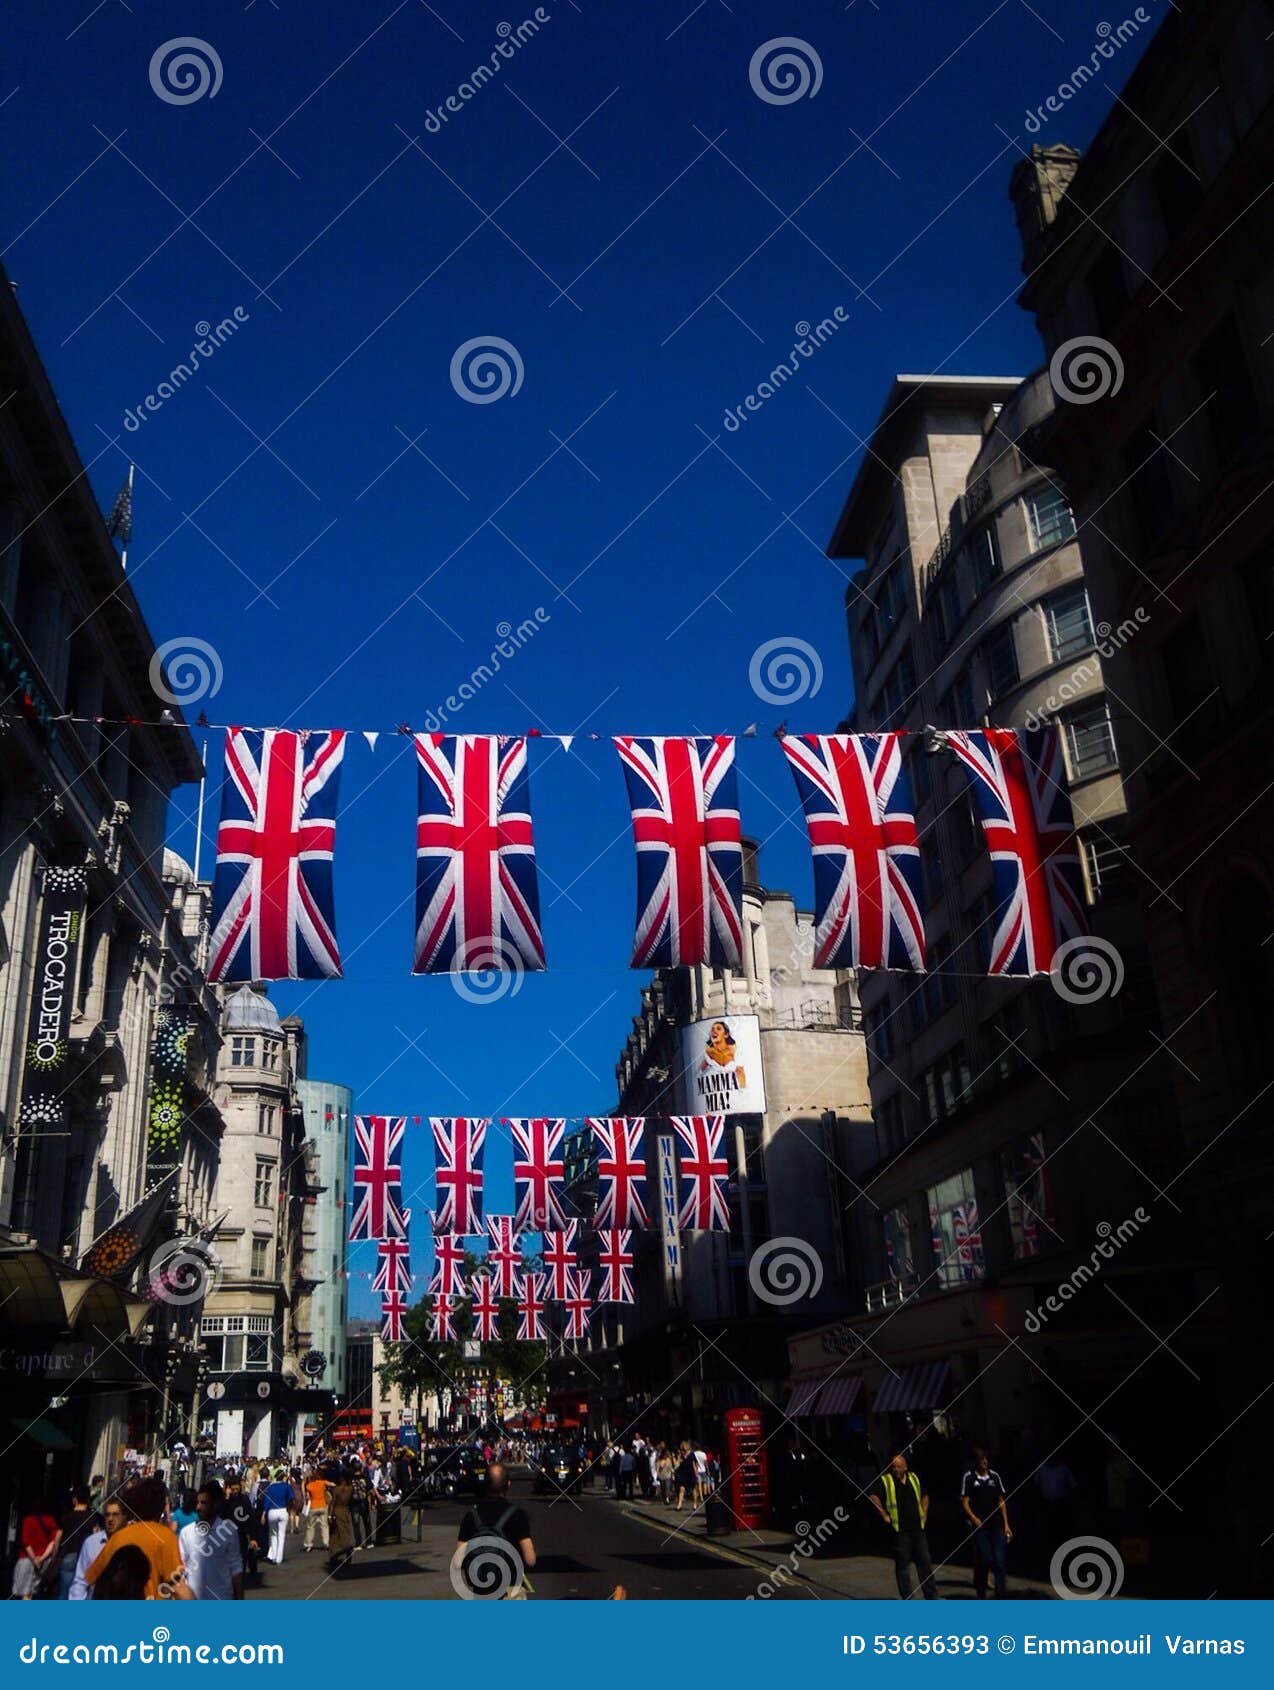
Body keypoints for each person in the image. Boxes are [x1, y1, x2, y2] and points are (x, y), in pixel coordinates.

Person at [84, 1478, 180, 1600]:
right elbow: (177, 1586)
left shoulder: (119, 1537)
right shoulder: (166, 1538)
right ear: (160, 1505)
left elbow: (92, 1577)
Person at [454, 1464, 535, 1599]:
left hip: (482, 1590)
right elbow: (530, 1559)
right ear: (508, 1485)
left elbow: (457, 1561)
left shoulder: (472, 1515)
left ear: (485, 1485)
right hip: (511, 1589)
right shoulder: (517, 1514)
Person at [870, 1454, 937, 1600]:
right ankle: (908, 1597)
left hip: (918, 1528)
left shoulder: (914, 1478)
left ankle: (931, 1595)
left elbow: (925, 1496)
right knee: (903, 1565)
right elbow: (873, 1496)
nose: (895, 1469)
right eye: (893, 1466)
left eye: (898, 1466)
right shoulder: (886, 1480)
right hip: (900, 1530)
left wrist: (924, 1514)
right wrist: (883, 1514)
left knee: (925, 1562)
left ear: (905, 1467)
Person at [960, 1448, 1012, 1599]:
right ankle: (981, 1592)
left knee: (1000, 1561)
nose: (985, 1462)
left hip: (996, 1525)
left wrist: (1006, 1525)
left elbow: (1001, 1501)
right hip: (980, 1526)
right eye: (981, 1459)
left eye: (986, 1459)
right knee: (984, 1559)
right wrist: (974, 1518)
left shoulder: (995, 1477)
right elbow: (965, 1501)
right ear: (976, 1461)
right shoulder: (969, 1477)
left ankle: (1001, 1595)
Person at [178, 1483, 244, 1601]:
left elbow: (236, 1568)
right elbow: (180, 1570)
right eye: (197, 1503)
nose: (198, 1507)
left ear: (215, 1504)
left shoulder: (228, 1531)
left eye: (204, 1503)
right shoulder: (186, 1533)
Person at [69, 1495, 125, 1600]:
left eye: (115, 1514)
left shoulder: (129, 1543)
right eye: (107, 1515)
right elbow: (80, 1580)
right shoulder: (91, 1543)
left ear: (123, 1517)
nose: (110, 1519)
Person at [12, 1499, 61, 1598]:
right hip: (44, 1562)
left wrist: (34, 1559)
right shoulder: (50, 1520)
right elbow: (52, 1542)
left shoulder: (27, 1520)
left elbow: (26, 1543)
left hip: (26, 1559)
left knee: (25, 1593)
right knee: (37, 1592)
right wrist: (42, 1558)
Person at [56, 1487, 97, 1599]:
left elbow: (58, 1538)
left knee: (64, 1594)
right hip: (85, 1560)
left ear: (75, 1499)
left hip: (68, 1556)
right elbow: (95, 1537)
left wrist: (55, 1556)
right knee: (82, 1595)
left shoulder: (66, 1516)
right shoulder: (92, 1518)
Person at [223, 1477, 261, 1579]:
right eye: (233, 1489)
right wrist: (226, 1498)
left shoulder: (244, 1499)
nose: (235, 1491)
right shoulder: (224, 1501)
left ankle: (239, 1581)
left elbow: (251, 1519)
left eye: (237, 1489)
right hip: (226, 1536)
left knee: (241, 1560)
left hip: (241, 1535)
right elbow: (221, 1516)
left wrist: (253, 1538)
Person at [259, 1467, 295, 1565]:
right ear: (283, 1477)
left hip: (271, 1512)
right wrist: (289, 1507)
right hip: (283, 1510)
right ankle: (279, 1558)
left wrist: (263, 1513)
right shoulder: (286, 1486)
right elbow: (292, 1498)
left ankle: (274, 1557)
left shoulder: (270, 1487)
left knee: (273, 1535)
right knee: (281, 1535)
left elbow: (266, 1501)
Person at [326, 1467, 356, 1576]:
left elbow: (332, 1503)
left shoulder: (336, 1490)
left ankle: (335, 1554)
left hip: (337, 1511)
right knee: (346, 1532)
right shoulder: (350, 1488)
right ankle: (348, 1551)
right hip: (346, 1511)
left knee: (334, 1534)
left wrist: (329, 1515)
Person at [304, 1469, 331, 1552]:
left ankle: (308, 1544)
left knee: (310, 1526)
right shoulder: (322, 1483)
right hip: (323, 1506)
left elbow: (308, 1497)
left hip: (313, 1507)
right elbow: (332, 1484)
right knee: (324, 1525)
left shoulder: (309, 1485)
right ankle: (326, 1543)